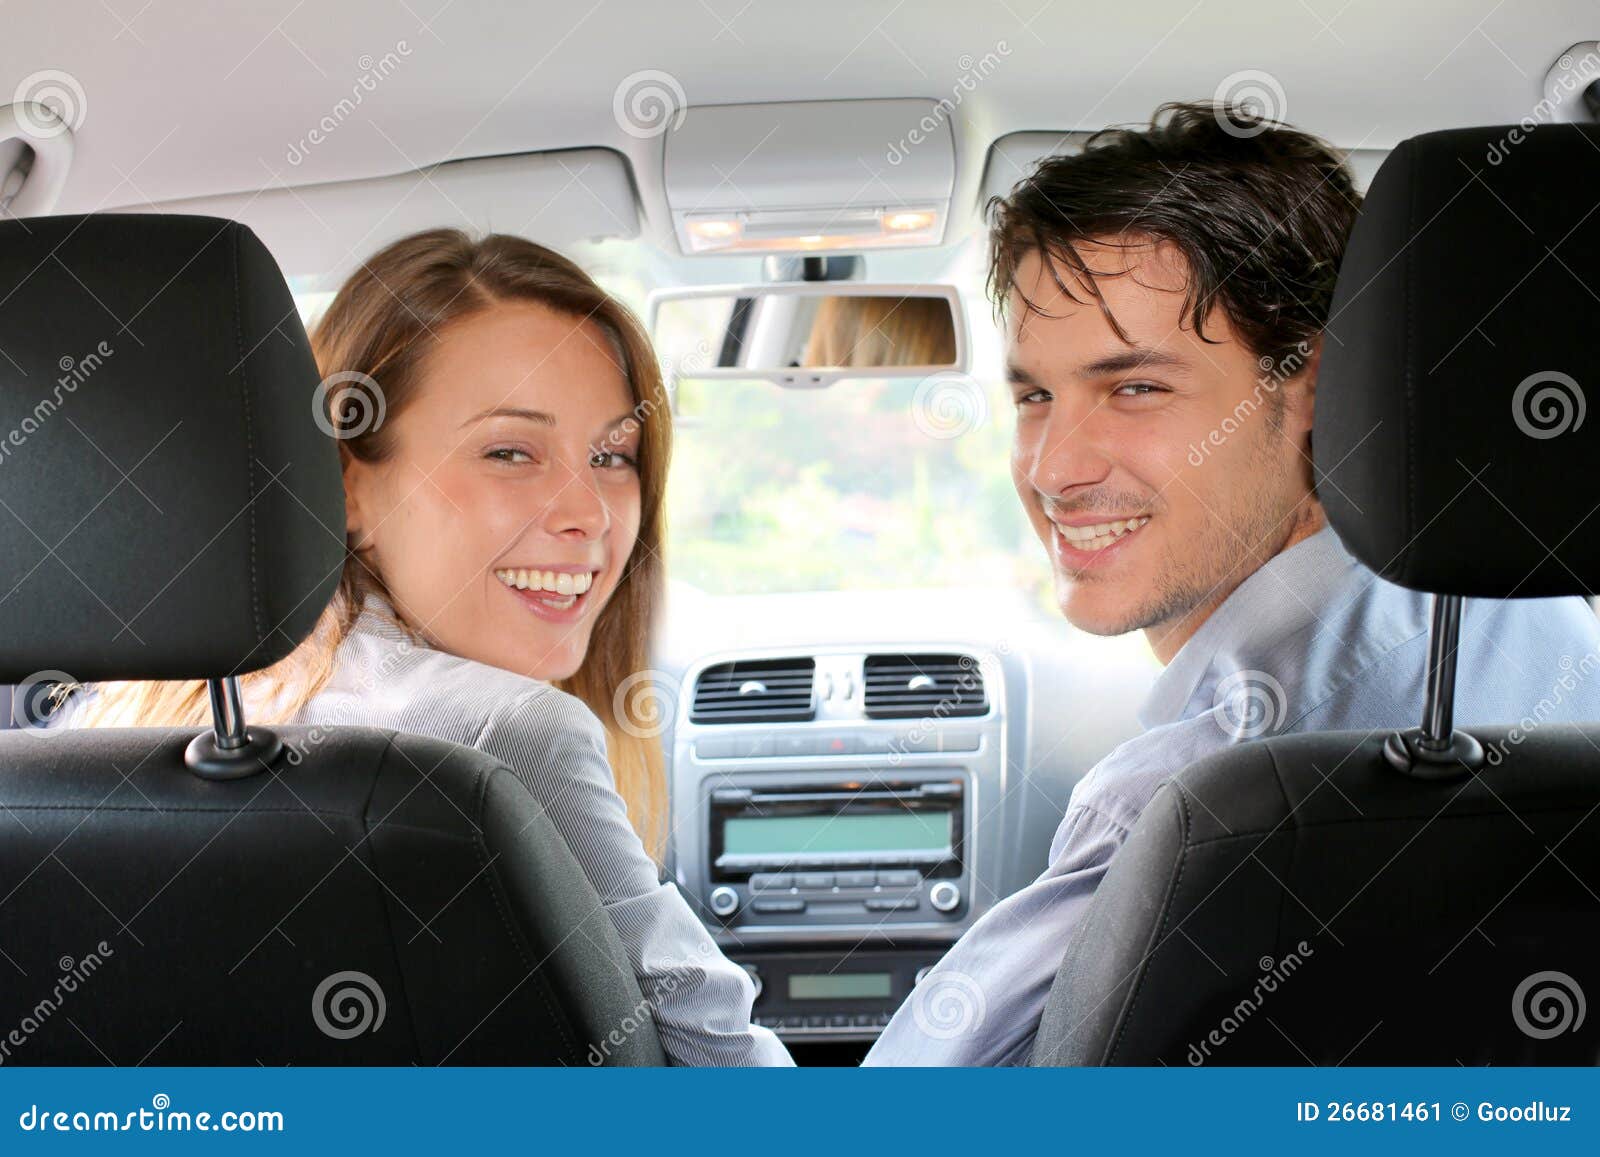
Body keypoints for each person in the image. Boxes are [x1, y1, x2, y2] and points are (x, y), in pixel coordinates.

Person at [864, 102, 1600, 1065]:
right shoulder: (1564, 640)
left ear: (1316, 390)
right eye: (1034, 395)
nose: (1052, 467)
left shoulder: (1194, 802)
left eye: (1136, 388)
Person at [73, 228, 792, 1067]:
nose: (591, 514)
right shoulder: (511, 735)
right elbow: (730, 1078)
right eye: (511, 451)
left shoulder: (95, 741)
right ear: (344, 486)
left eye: (611, 455)